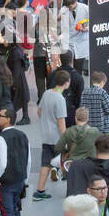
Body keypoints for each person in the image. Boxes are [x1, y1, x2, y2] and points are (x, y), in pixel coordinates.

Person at [33, 70, 70, 200]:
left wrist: (45, 122)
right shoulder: (60, 99)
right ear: (67, 83)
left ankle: (40, 190)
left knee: (45, 164)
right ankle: (71, 191)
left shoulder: (47, 93)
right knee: (66, 162)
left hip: (45, 136)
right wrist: (66, 139)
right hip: (57, 138)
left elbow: (39, 111)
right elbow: (61, 121)